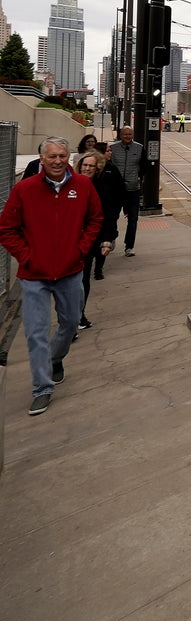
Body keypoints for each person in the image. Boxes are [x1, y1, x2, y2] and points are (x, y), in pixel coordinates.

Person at [0, 136, 103, 415]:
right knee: (36, 333)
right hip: (34, 276)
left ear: (69, 157)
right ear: (42, 159)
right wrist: (27, 257)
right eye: (52, 156)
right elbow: (7, 229)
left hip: (70, 272)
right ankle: (42, 387)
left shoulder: (82, 186)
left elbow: (95, 219)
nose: (57, 161)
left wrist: (80, 250)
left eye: (62, 156)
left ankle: (55, 359)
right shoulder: (25, 189)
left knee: (70, 324)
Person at [75, 149, 116, 325]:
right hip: (69, 239)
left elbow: (107, 215)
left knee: (83, 279)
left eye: (91, 166)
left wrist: (107, 239)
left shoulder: (101, 189)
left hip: (89, 240)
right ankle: (71, 317)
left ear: (97, 168)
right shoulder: (69, 184)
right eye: (85, 165)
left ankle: (79, 316)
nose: (87, 169)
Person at [109, 124, 146, 257]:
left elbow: (143, 167)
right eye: (125, 134)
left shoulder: (139, 148)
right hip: (116, 190)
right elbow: (109, 166)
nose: (127, 137)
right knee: (112, 216)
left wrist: (137, 179)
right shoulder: (112, 148)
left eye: (130, 134)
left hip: (132, 189)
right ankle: (112, 236)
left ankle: (129, 246)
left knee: (133, 218)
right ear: (120, 135)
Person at [91, 144, 125, 281]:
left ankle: (98, 269)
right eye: (107, 150)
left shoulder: (112, 169)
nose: (110, 152)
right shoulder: (90, 170)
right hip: (91, 214)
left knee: (103, 241)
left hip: (107, 213)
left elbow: (120, 189)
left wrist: (117, 209)